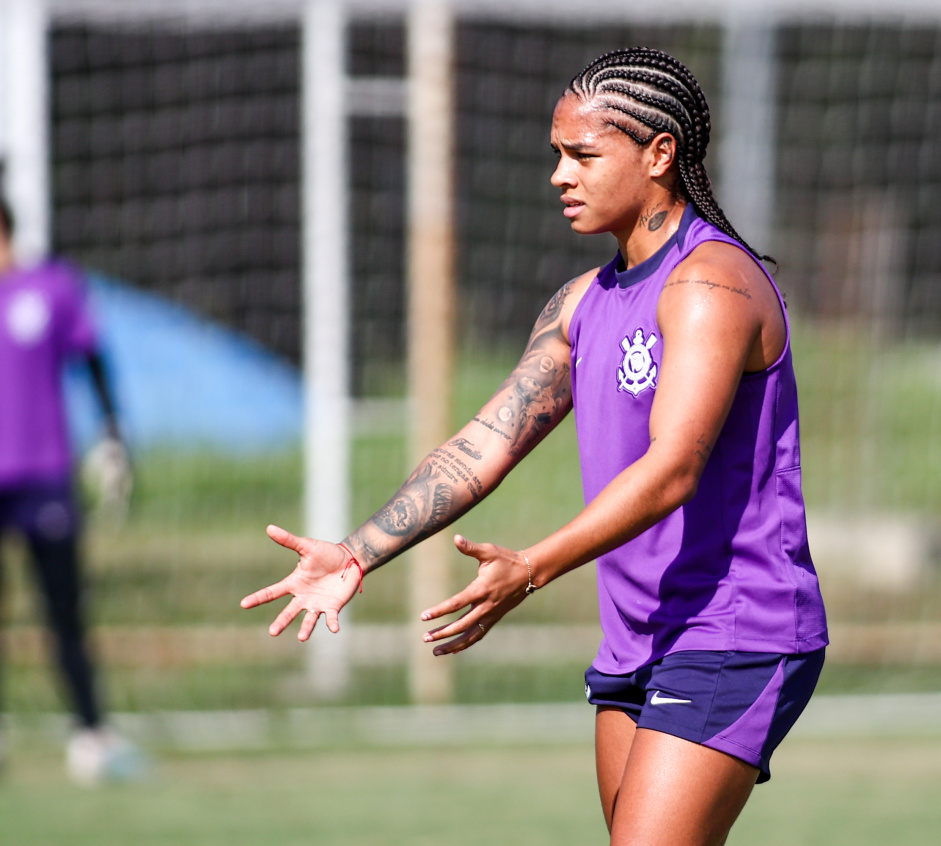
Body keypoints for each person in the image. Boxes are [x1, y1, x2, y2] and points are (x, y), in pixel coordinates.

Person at [242, 47, 828, 845]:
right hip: (638, 635)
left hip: (733, 628)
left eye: (582, 155)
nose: (558, 175)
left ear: (659, 154)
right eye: (556, 154)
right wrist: (356, 554)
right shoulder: (582, 302)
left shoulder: (708, 285)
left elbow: (672, 470)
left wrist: (532, 567)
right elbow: (483, 444)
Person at [0, 195, 138, 784]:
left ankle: (91, 735)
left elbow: (93, 360)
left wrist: (112, 434)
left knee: (64, 612)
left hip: (43, 474)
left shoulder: (51, 287)